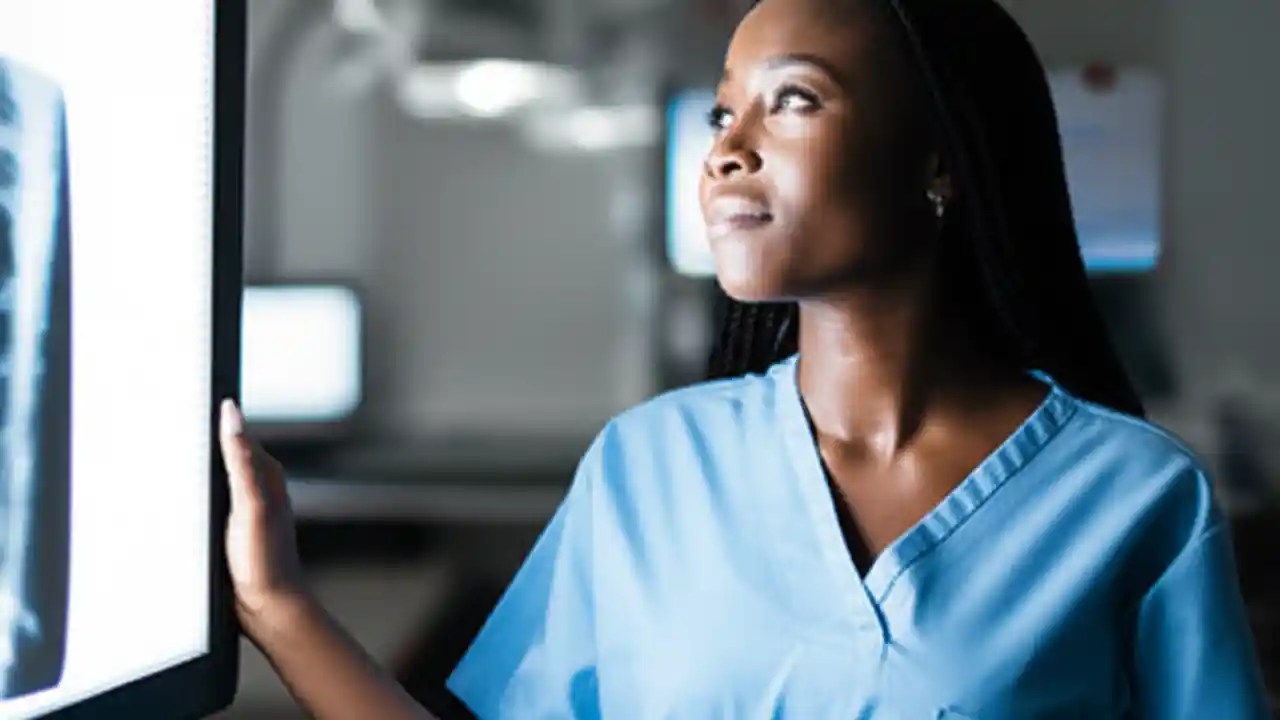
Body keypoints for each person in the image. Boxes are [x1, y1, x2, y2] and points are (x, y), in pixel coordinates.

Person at [218, 0, 1271, 716]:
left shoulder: (1133, 497)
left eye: (794, 100)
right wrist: (277, 606)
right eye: (725, 109)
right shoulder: (648, 466)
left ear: (938, 161)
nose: (724, 146)